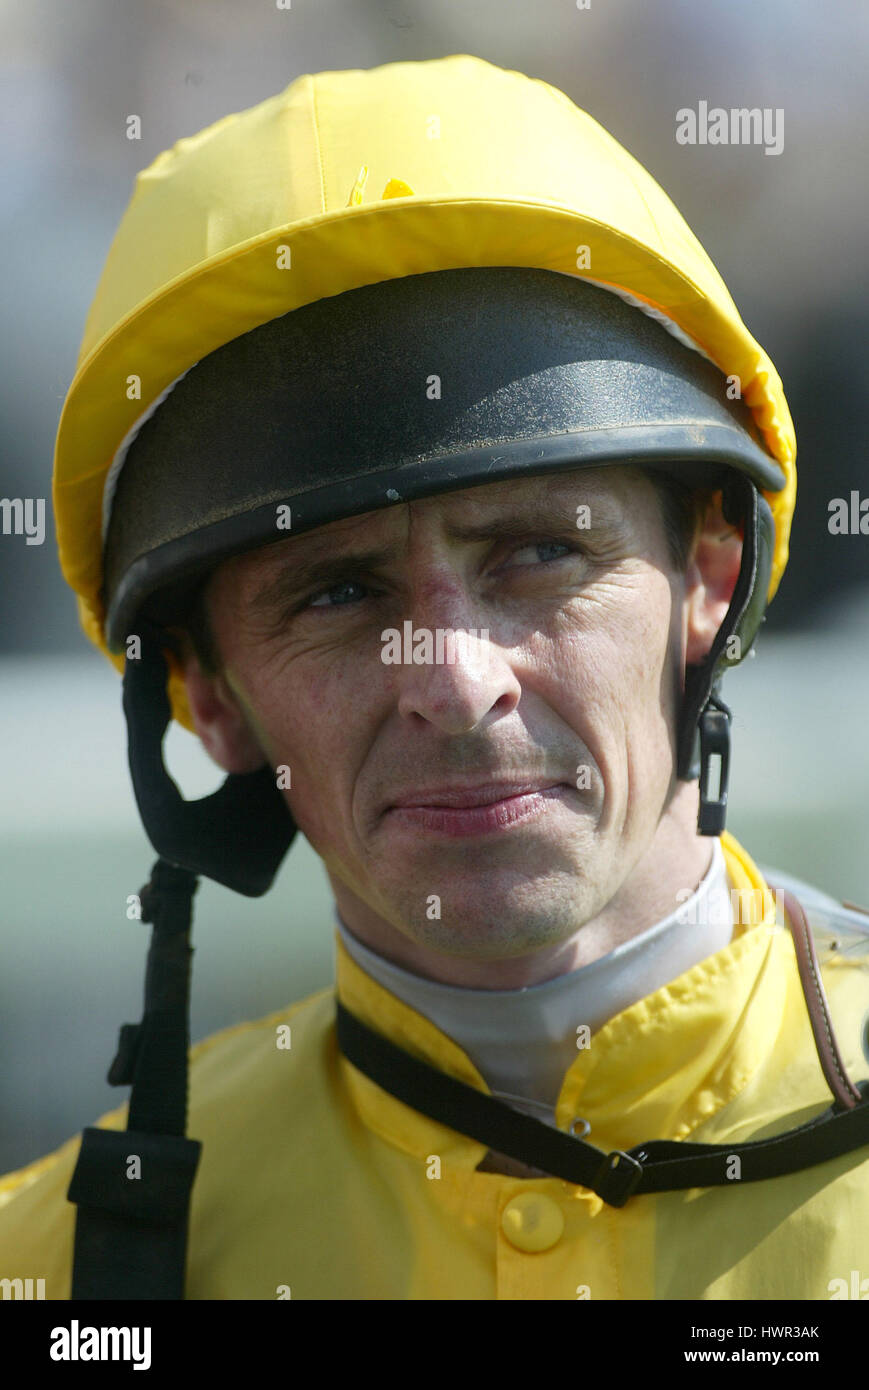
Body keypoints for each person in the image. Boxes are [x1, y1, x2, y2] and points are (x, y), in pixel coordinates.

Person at [1, 53, 867, 1303]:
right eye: (338, 594)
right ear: (207, 696)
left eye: (537, 553)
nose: (456, 686)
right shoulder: (67, 1278)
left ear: (708, 576)